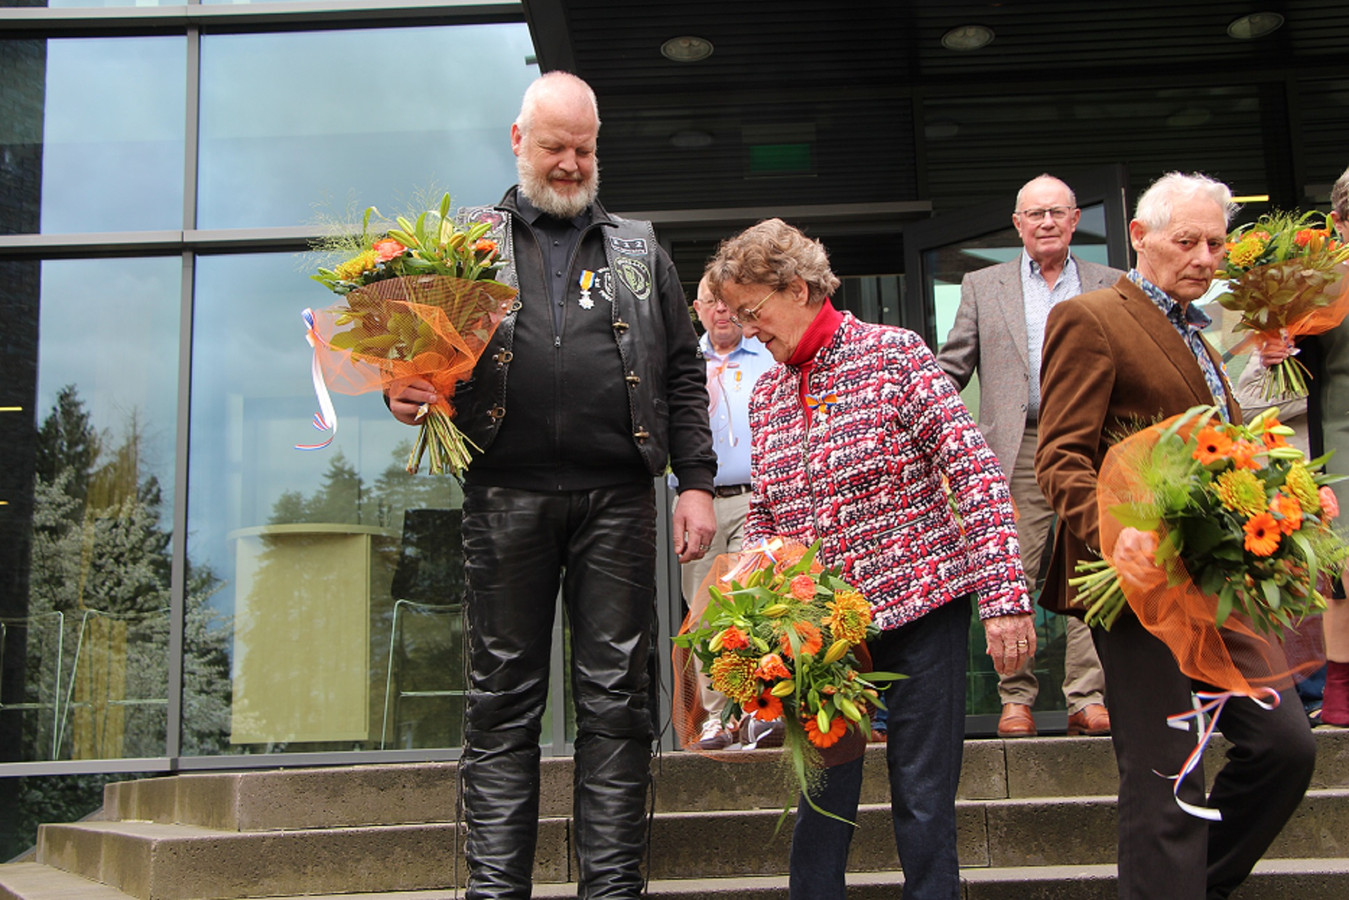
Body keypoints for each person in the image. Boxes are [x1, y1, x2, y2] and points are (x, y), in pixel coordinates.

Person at [387, 71, 717, 899]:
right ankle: (496, 890)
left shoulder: (641, 249)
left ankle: (612, 888)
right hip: (503, 493)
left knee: (619, 700)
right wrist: (405, 389)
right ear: (517, 141)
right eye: (554, 148)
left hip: (618, 499)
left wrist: (696, 484)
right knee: (501, 698)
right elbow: (416, 366)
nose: (570, 164)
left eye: (583, 149)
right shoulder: (460, 243)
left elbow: (682, 371)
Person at [705, 218, 1035, 900]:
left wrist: (1004, 598)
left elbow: (972, 472)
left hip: (922, 614)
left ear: (796, 289)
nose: (746, 327)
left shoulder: (895, 355)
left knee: (922, 796)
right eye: (735, 315)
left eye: (752, 312)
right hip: (825, 636)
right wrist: (757, 609)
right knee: (820, 799)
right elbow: (767, 514)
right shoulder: (766, 395)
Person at [1036, 171, 1317, 899]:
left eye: (1215, 243)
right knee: (1166, 773)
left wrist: (1283, 496)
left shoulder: (1204, 337)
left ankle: (1191, 886)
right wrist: (1114, 531)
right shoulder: (1091, 316)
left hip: (1210, 583)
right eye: (1184, 240)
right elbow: (1059, 456)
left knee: (1284, 747)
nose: (1203, 256)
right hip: (1130, 585)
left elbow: (1224, 454)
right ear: (1138, 237)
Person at [936, 173, 1117, 738]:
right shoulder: (982, 286)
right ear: (1017, 224)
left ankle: (1087, 697)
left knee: (1095, 568)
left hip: (1093, 447)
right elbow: (951, 370)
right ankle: (1016, 700)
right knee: (1012, 574)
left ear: (1074, 219)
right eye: (1034, 214)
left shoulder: (1112, 283)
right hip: (1017, 448)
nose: (1045, 223)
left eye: (1056, 213)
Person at [675, 272, 777, 751]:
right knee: (705, 613)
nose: (720, 311)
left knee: (753, 603)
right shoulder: (680, 362)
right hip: (699, 505)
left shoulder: (767, 356)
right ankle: (716, 718)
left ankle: (758, 711)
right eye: (710, 302)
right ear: (697, 309)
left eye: (727, 302)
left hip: (758, 499)